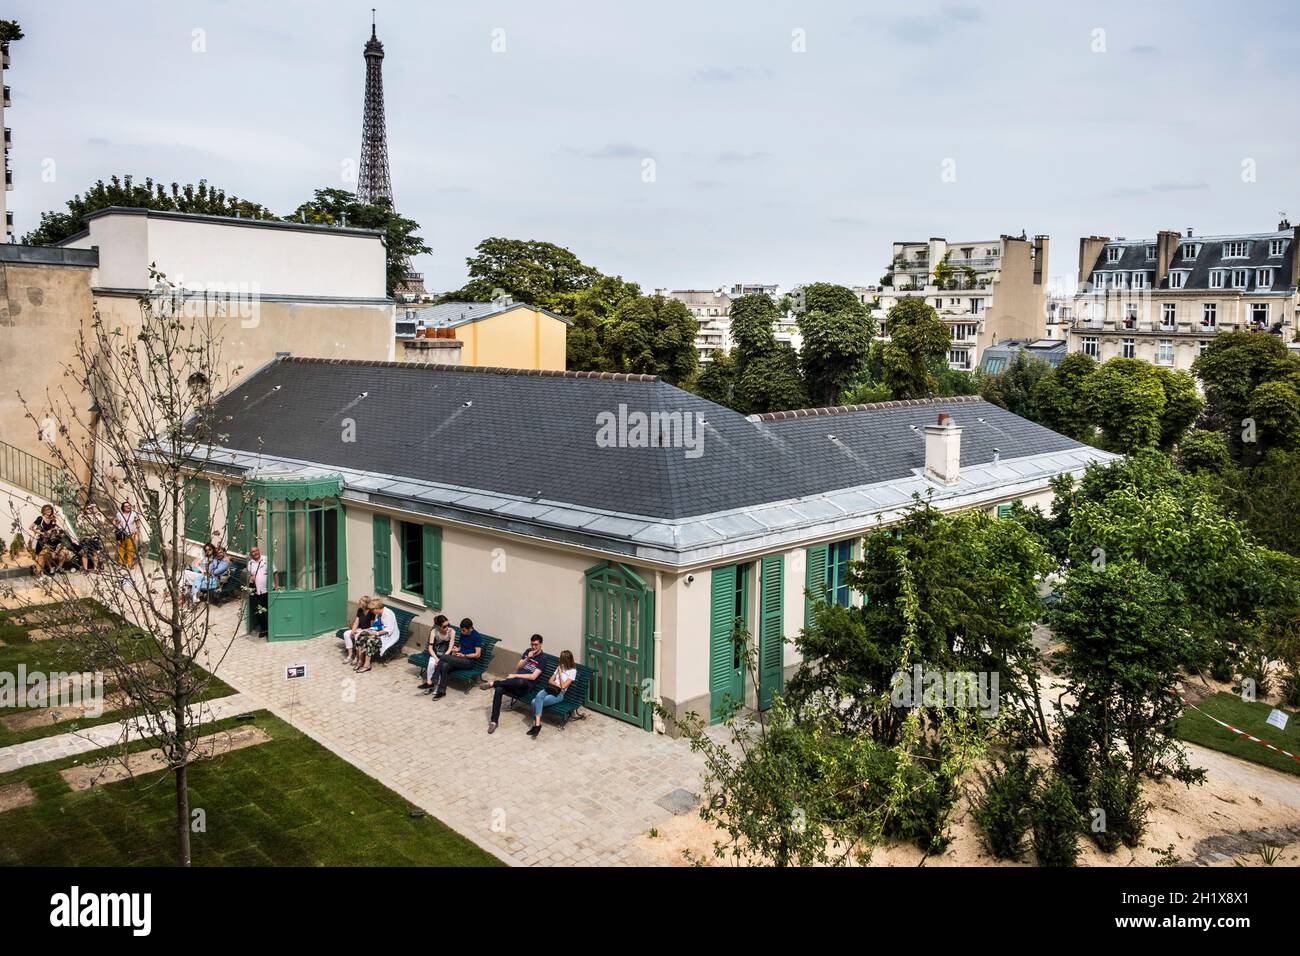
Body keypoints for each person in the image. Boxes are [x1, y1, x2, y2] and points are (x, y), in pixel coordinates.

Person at [480, 634, 545, 733]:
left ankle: (494, 683)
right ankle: (494, 722)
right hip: (513, 683)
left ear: (541, 645)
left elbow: (533, 677)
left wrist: (515, 676)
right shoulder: (528, 652)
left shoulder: (542, 659)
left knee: (519, 681)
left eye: (536, 645)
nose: (533, 647)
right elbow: (518, 667)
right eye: (532, 644)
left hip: (526, 686)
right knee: (499, 690)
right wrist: (527, 658)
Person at [528, 649, 577, 738]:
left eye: (561, 658)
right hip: (550, 689)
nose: (559, 660)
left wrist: (561, 674)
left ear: (566, 660)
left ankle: (535, 725)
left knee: (534, 702)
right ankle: (537, 725)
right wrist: (557, 683)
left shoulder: (573, 671)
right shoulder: (559, 666)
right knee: (539, 696)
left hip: (559, 695)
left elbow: (563, 687)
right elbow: (550, 680)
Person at [428, 617, 482, 698]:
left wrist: (464, 655)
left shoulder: (476, 636)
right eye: (461, 630)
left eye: (463, 630)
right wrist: (457, 650)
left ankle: (433, 679)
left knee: (444, 657)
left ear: (470, 628)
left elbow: (478, 654)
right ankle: (441, 691)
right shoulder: (463, 634)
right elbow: (462, 647)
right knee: (444, 665)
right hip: (459, 659)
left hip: (468, 662)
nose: (461, 632)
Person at [354, 597, 399, 674]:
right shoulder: (379, 614)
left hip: (389, 636)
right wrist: (367, 630)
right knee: (361, 637)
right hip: (379, 633)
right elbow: (377, 626)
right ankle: (360, 660)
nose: (371, 611)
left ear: (377, 608)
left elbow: (388, 630)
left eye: (372, 610)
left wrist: (375, 633)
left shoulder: (388, 614)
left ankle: (367, 665)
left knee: (369, 641)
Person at [417, 614, 455, 690]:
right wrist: (437, 659)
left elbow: (450, 648)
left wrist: (441, 659)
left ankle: (436, 686)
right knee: (431, 663)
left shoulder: (452, 632)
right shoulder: (434, 632)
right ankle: (429, 683)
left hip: (446, 655)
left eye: (448, 625)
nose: (447, 627)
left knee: (441, 665)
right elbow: (430, 648)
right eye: (444, 626)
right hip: (435, 654)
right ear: (438, 626)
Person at [29, 504, 70, 576]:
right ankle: (38, 574)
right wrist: (42, 533)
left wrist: (54, 528)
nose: (49, 511)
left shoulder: (51, 520)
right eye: (47, 509)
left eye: (50, 509)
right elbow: (31, 527)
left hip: (47, 542)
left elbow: (53, 531)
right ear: (43, 511)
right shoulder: (40, 518)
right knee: (41, 558)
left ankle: (39, 573)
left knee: (43, 557)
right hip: (41, 541)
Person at [338, 596, 376, 665]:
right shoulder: (360, 610)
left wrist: (362, 631)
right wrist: (353, 630)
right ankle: (350, 656)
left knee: (357, 636)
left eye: (360, 602)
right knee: (346, 634)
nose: (358, 603)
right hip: (359, 630)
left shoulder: (371, 613)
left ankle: (357, 657)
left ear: (365, 604)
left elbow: (372, 627)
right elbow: (356, 622)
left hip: (366, 631)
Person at [247, 546, 269, 638]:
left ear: (259, 551)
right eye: (253, 551)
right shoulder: (250, 563)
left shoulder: (266, 559)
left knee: (269, 609)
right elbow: (250, 576)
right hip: (257, 590)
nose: (255, 552)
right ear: (251, 554)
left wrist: (276, 586)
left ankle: (273, 627)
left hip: (267, 589)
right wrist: (250, 579)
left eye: (256, 550)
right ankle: (265, 629)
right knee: (259, 610)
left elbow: (275, 572)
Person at [76, 503, 105, 573]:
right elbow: (78, 526)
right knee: (84, 553)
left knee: (95, 553)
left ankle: (95, 568)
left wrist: (99, 513)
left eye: (91, 508)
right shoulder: (82, 517)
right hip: (85, 537)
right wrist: (80, 517)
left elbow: (102, 522)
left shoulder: (96, 516)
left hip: (94, 537)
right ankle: (85, 569)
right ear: (85, 509)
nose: (89, 510)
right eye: (87, 508)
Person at [114, 501, 139, 568]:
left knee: (130, 550)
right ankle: (120, 564)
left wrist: (136, 529)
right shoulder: (119, 514)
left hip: (130, 535)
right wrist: (116, 526)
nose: (128, 507)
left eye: (129, 505)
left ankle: (130, 564)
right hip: (121, 534)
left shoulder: (133, 514)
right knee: (121, 550)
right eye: (126, 506)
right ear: (123, 507)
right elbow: (114, 521)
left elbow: (137, 522)